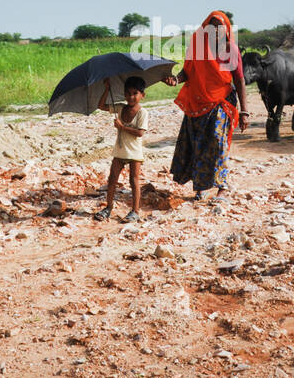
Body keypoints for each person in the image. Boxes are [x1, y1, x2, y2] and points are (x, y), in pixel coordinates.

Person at [165, 11, 250, 200]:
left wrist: (244, 111)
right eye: (211, 26)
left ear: (226, 29)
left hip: (222, 101)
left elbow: (239, 79)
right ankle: (201, 187)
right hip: (198, 101)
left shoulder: (230, 50)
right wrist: (176, 80)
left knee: (216, 141)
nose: (215, 30)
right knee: (197, 143)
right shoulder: (198, 48)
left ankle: (222, 186)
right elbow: (187, 72)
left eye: (219, 26)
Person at [93, 75, 147, 221]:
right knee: (112, 180)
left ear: (142, 95)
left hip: (134, 152)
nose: (131, 97)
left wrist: (122, 127)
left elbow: (140, 133)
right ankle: (108, 207)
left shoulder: (142, 113)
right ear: (124, 94)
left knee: (134, 181)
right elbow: (101, 106)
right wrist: (107, 90)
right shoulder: (120, 108)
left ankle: (135, 211)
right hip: (120, 151)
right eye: (128, 93)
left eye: (135, 93)